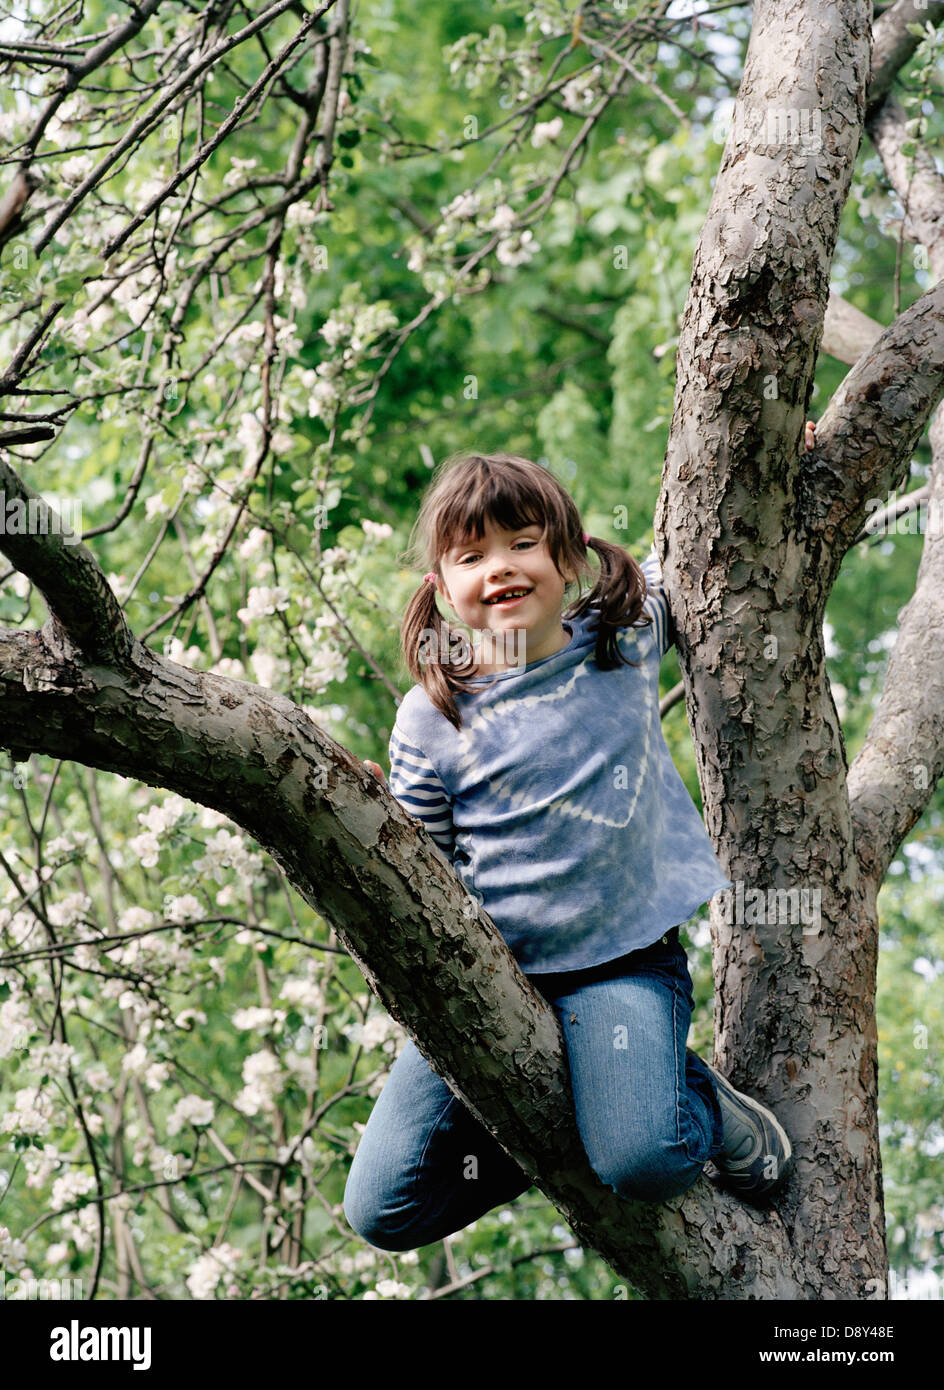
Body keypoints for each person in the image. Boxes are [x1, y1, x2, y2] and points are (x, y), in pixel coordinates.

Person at [343, 450, 795, 1253]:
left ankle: (695, 1103)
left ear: (566, 555)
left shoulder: (619, 642)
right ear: (442, 590)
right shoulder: (431, 716)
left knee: (645, 1161)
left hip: (619, 965)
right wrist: (369, 819)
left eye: (522, 542)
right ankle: (599, 1107)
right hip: (493, 982)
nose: (500, 569)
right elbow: (424, 869)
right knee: (383, 1211)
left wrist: (766, 463)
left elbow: (697, 535)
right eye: (470, 556)